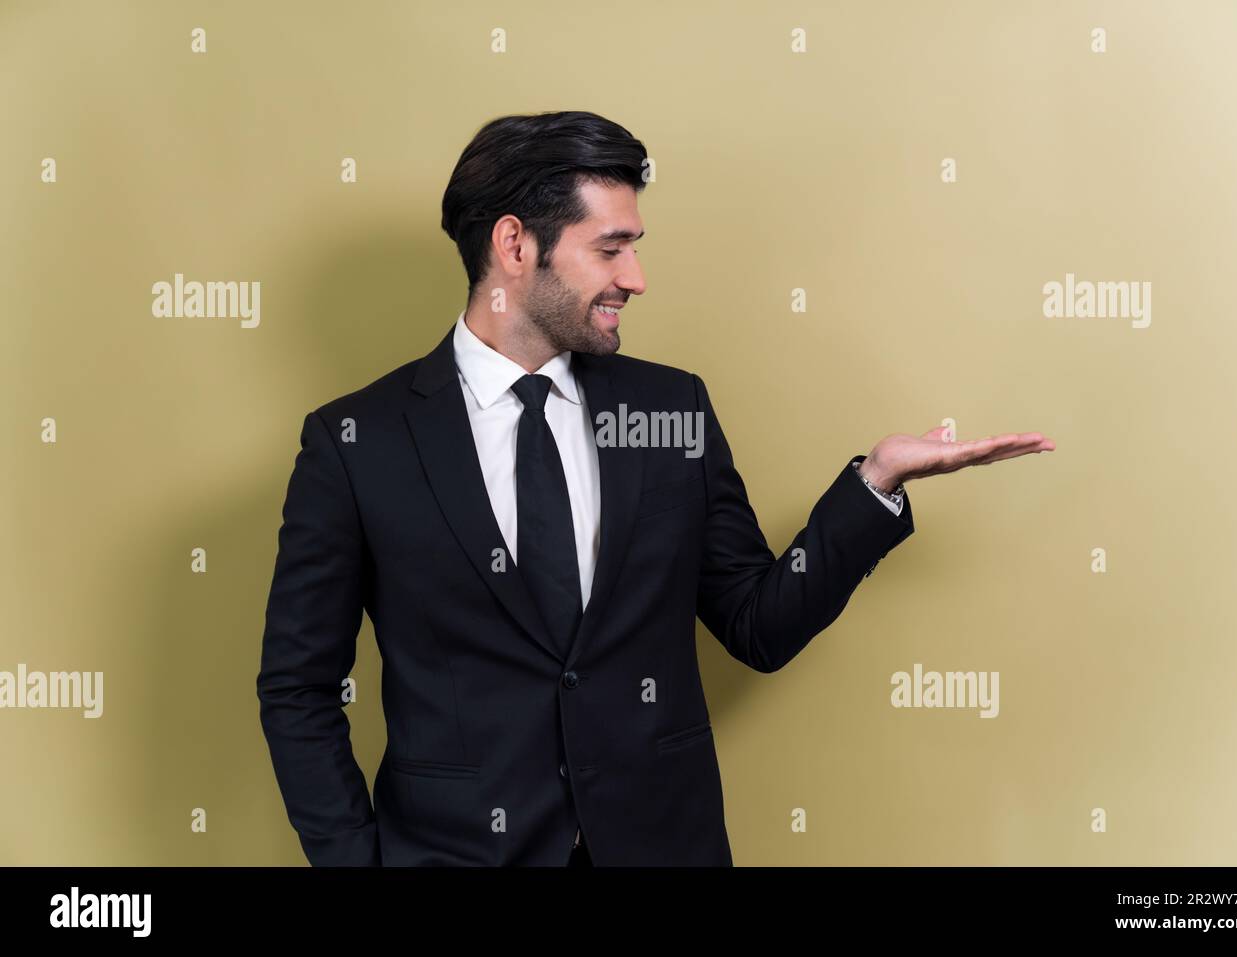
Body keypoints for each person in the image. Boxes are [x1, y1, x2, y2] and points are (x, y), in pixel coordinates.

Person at [255, 110, 1054, 867]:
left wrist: (875, 483)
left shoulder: (671, 410)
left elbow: (757, 625)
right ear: (514, 245)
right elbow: (298, 688)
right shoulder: (356, 443)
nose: (635, 277)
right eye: (610, 248)